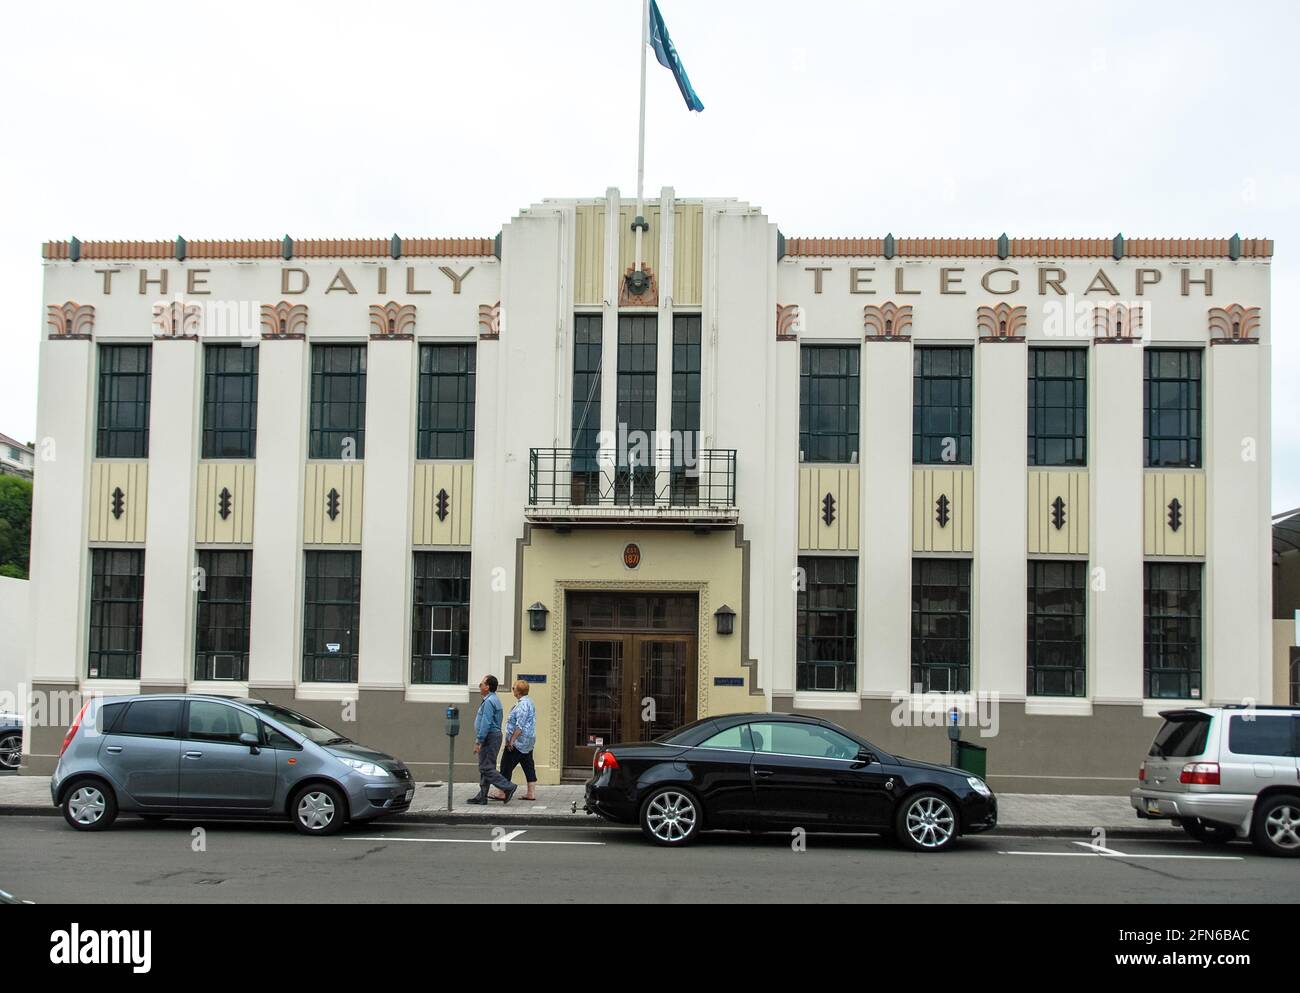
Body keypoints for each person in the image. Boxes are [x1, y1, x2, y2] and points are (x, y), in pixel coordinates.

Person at [467, 674, 516, 805]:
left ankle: (508, 787)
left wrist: (479, 741)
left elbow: (486, 723)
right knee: (487, 767)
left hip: (489, 737)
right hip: (493, 736)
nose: (480, 686)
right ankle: (482, 796)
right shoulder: (494, 699)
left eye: (481, 684)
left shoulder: (489, 701)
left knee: (486, 768)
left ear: (487, 687)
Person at [490, 680, 538, 801]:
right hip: (528, 741)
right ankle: (531, 793)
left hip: (519, 742)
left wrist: (511, 741)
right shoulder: (529, 702)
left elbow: (519, 725)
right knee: (528, 765)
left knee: (506, 765)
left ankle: (502, 791)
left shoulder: (522, 705)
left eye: (513, 688)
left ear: (518, 691)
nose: (512, 689)